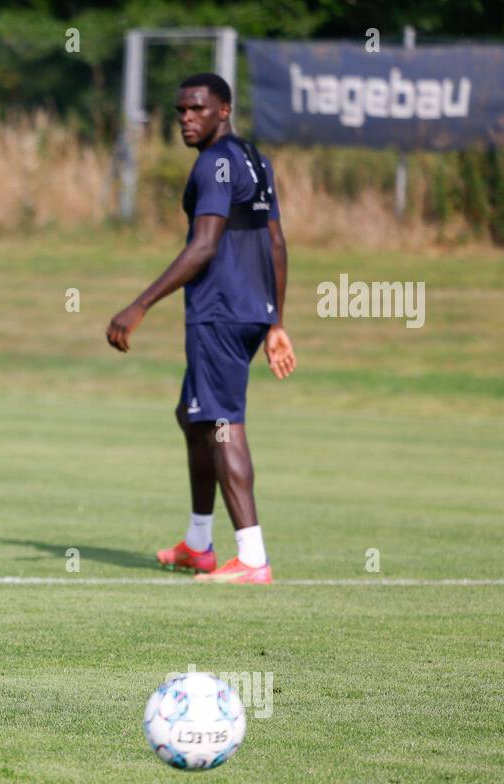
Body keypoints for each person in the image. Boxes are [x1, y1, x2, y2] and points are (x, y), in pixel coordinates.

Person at [106, 73, 296, 584]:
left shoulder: (213, 164)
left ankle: (252, 557)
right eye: (181, 111)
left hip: (219, 311)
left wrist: (139, 305)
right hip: (251, 309)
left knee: (221, 423)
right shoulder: (253, 157)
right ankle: (197, 544)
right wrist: (275, 321)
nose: (188, 119)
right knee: (192, 417)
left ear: (224, 110)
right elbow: (275, 242)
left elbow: (205, 245)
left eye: (198, 109)